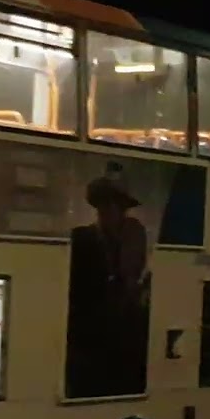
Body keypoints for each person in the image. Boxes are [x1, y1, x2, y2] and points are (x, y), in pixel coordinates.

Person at [65, 162, 151, 399]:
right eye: (106, 204)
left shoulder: (133, 236)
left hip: (122, 347)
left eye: (117, 206)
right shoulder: (82, 239)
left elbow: (131, 278)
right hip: (88, 346)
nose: (111, 211)